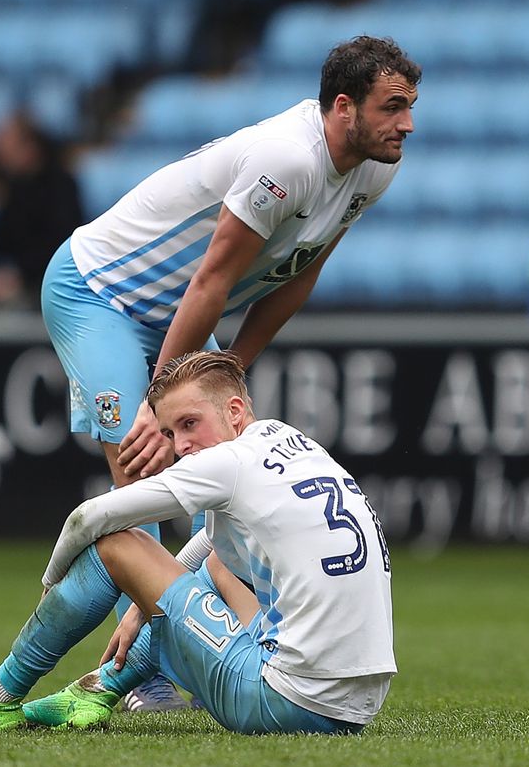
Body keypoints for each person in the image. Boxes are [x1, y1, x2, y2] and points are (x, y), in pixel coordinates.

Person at [38, 35, 416, 708]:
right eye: (392, 107)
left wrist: (232, 366)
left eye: (410, 106)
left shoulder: (373, 170)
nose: (407, 124)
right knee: (142, 482)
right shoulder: (287, 160)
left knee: (224, 479)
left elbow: (299, 276)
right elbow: (212, 279)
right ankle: (131, 676)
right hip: (101, 292)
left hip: (177, 312)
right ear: (343, 107)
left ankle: (198, 653)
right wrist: (159, 405)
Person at [0, 349, 395, 734]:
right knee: (217, 565)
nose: (181, 446)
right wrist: (142, 604)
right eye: (169, 433)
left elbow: (88, 518)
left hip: (283, 701)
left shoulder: (227, 464)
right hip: (358, 707)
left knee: (119, 545)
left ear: (235, 411)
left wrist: (51, 585)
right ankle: (96, 689)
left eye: (190, 424)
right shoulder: (288, 441)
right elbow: (211, 547)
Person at [0, 110, 84, 306]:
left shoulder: (61, 187)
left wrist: (19, 274)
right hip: (8, 280)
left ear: (29, 148)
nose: (0, 152)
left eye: (8, 145)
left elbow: (63, 246)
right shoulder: (7, 187)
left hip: (49, 286)